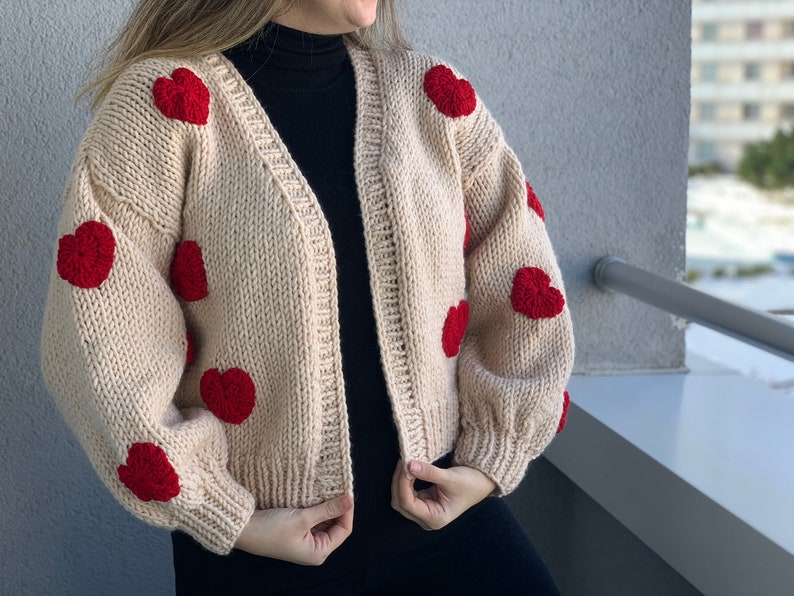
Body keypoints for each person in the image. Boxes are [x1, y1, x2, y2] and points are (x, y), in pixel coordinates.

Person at [40, 0, 575, 593]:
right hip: (265, 558)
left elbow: (525, 282)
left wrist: (490, 457)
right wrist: (229, 517)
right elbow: (103, 337)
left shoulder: (433, 98)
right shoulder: (166, 105)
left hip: (448, 528)